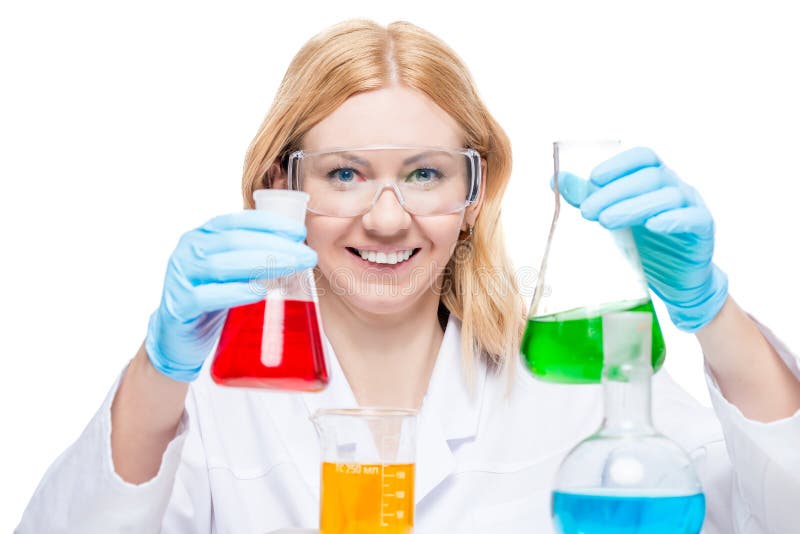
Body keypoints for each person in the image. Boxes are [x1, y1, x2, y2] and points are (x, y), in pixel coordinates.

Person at [17, 19, 800, 533]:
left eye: (424, 174)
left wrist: (710, 311)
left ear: (475, 192)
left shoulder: (567, 377)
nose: (387, 219)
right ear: (283, 190)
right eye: (346, 173)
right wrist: (159, 372)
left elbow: (775, 510)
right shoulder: (218, 398)